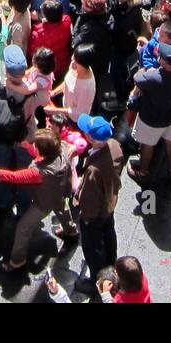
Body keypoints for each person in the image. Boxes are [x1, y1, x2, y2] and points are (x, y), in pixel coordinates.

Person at [0, 128, 74, 272]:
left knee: (23, 227)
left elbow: (13, 176)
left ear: (43, 152)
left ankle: (17, 260)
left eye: (35, 145)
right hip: (59, 192)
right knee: (62, 210)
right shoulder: (62, 149)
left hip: (43, 203)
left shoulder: (39, 172)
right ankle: (71, 230)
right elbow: (61, 152)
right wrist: (29, 148)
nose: (33, 145)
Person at [126, 45, 171, 188]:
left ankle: (143, 173)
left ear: (164, 63)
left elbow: (137, 77)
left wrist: (148, 70)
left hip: (152, 120)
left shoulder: (152, 78)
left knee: (147, 145)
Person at [72, 113, 124, 284]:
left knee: (92, 247)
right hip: (109, 203)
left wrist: (86, 217)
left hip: (95, 214)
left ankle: (98, 279)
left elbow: (89, 200)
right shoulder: (115, 145)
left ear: (91, 138)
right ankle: (111, 263)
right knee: (109, 234)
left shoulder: (94, 171)